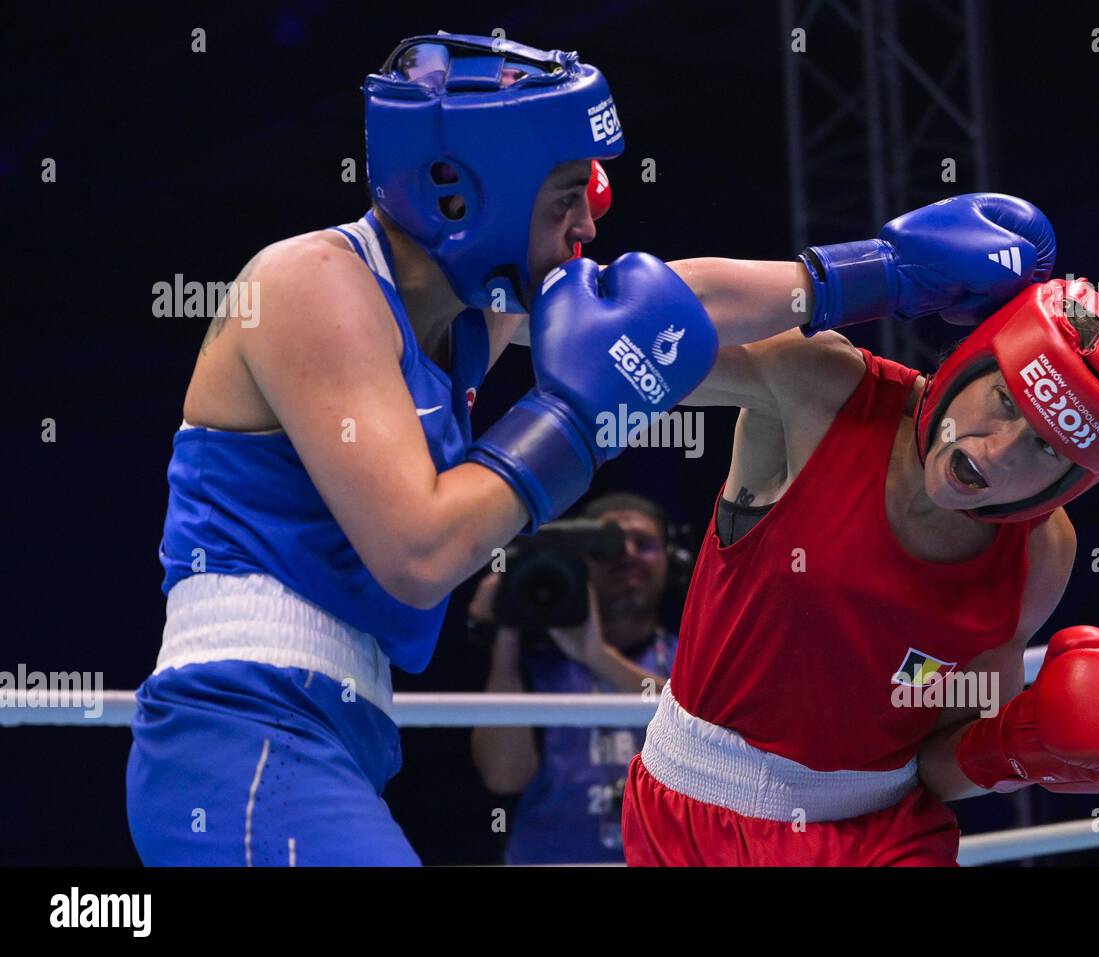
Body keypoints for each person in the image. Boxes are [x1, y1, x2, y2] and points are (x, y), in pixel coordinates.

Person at [125, 33, 715, 866]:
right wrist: (576, 420)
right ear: (466, 192)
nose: (585, 225)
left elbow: (673, 302)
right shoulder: (311, 282)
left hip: (326, 735)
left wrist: (853, 277)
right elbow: (421, 548)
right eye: (562, 198)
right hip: (243, 726)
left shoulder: (460, 325)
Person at [620, 275, 1099, 866]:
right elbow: (610, 336)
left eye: (1046, 449)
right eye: (1008, 401)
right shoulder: (826, 391)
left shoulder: (1041, 552)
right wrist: (865, 272)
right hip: (697, 813)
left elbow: (938, 767)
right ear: (970, 362)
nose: (998, 451)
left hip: (885, 835)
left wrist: (1019, 748)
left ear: (1071, 481)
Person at [470, 493, 679, 864]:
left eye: (643, 544)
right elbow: (503, 777)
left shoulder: (691, 661)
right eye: (608, 547)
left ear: (673, 560)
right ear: (580, 564)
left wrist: (596, 655)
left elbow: (704, 734)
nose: (627, 554)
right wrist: (505, 628)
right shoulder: (534, 667)